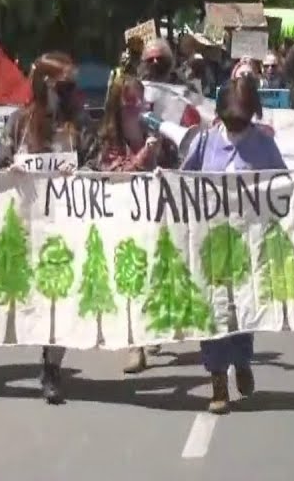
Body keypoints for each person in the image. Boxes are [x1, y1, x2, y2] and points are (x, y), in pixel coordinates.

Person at [0, 52, 98, 404]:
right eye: (64, 84)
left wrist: (82, 175)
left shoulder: (80, 124)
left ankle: (52, 367)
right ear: (45, 85)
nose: (71, 91)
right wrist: (13, 172)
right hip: (25, 226)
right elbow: (0, 170)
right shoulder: (19, 123)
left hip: (65, 228)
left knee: (61, 300)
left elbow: (96, 167)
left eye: (72, 85)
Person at [183, 76, 287, 413]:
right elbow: (184, 180)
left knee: (242, 304)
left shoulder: (263, 145)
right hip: (210, 242)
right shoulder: (205, 142)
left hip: (249, 242)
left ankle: (242, 360)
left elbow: (281, 186)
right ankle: (217, 381)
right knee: (213, 309)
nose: (236, 123)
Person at [94, 71, 181, 374]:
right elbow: (116, 173)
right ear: (118, 109)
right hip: (125, 219)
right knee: (132, 278)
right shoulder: (109, 140)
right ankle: (135, 346)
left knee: (157, 274)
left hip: (158, 215)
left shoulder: (157, 134)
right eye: (130, 104)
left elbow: (179, 171)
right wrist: (145, 154)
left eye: (140, 103)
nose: (138, 110)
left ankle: (154, 328)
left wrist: (166, 149)